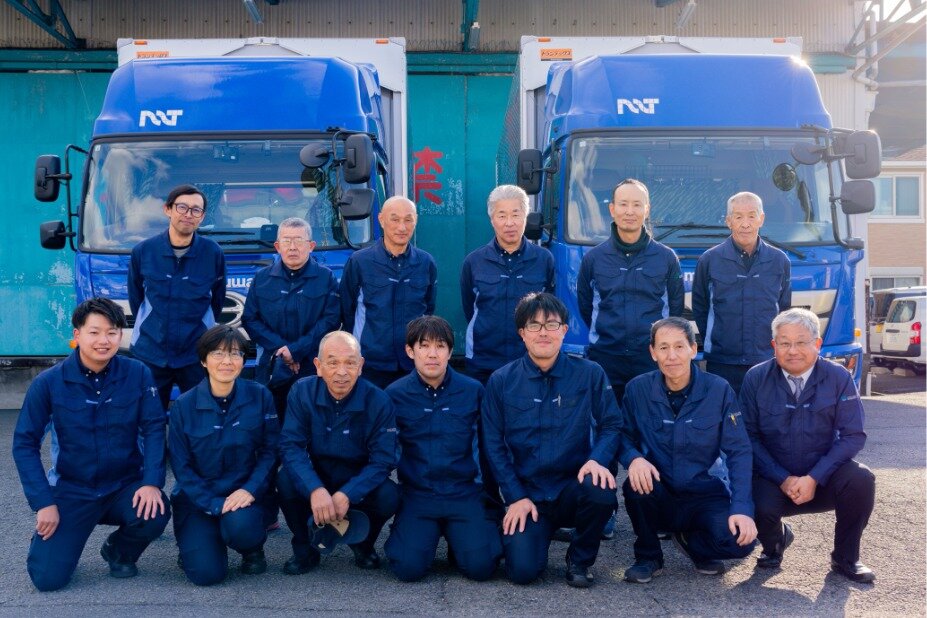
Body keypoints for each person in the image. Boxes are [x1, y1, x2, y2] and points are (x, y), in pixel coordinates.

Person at [12, 298, 169, 592]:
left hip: (123, 486)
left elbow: (154, 427)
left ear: (120, 335)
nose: (103, 341)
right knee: (47, 579)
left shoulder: (137, 373)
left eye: (112, 332)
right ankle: (61, 542)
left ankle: (119, 551)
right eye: (94, 332)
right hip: (73, 490)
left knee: (155, 511)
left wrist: (151, 482)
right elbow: (24, 443)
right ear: (77, 334)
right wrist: (44, 502)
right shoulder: (49, 383)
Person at [482, 293, 622, 588]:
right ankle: (539, 532)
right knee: (522, 572)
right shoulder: (501, 381)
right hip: (529, 495)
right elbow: (493, 444)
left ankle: (580, 560)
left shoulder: (589, 374)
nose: (543, 332)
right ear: (522, 333)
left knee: (601, 488)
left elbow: (611, 424)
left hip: (572, 487)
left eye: (551, 324)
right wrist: (515, 497)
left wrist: (596, 460)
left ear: (564, 330)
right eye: (534, 325)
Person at [740, 308, 876, 583]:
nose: (792, 351)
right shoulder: (756, 378)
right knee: (749, 497)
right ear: (774, 345)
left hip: (823, 477)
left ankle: (846, 558)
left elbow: (853, 435)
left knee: (861, 479)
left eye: (801, 342)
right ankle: (774, 544)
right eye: (784, 343)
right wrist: (782, 478)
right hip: (773, 478)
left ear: (817, 343)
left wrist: (815, 477)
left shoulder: (838, 377)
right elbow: (747, 437)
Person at [620, 317, 757, 584]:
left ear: (693, 349)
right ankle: (648, 556)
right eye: (663, 347)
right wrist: (634, 458)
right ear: (653, 352)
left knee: (740, 542)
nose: (671, 356)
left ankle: (693, 542)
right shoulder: (637, 389)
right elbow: (623, 435)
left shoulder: (718, 389)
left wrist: (742, 507)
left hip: (705, 493)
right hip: (660, 492)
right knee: (636, 485)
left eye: (679, 346)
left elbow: (739, 451)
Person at [384, 316, 502, 582]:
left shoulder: (473, 391)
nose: (432, 354)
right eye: (424, 346)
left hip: (463, 493)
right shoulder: (394, 394)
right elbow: (384, 451)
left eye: (440, 346)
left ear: (450, 351)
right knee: (408, 569)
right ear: (410, 351)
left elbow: (490, 447)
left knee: (481, 568)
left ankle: (460, 540)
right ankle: (410, 532)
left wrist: (493, 499)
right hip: (418, 494)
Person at [277, 331, 399, 573]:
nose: (342, 372)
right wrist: (314, 488)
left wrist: (348, 493)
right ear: (318, 366)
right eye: (332, 363)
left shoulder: (379, 400)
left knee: (389, 495)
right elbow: (291, 446)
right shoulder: (301, 392)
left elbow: (383, 460)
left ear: (360, 366)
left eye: (350, 363)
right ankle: (305, 547)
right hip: (318, 474)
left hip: (357, 476)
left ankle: (363, 543)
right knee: (285, 480)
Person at [168, 325, 281, 586]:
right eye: (218, 353)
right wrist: (214, 504)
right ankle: (200, 542)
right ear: (203, 360)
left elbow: (270, 451)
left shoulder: (260, 395)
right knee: (206, 575)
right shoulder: (184, 405)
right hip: (198, 500)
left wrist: (250, 489)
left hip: (243, 497)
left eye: (235, 354)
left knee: (241, 527)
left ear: (243, 360)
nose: (227, 361)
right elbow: (181, 467)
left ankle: (251, 549)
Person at [577, 178, 684, 403]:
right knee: (607, 418)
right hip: (606, 357)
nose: (629, 211)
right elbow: (585, 306)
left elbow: (675, 307)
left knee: (651, 417)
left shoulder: (666, 258)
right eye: (623, 204)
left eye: (637, 204)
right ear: (612, 209)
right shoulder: (593, 259)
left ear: (647, 209)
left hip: (650, 358)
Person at [127, 184, 226, 410]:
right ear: (168, 209)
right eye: (182, 207)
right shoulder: (143, 251)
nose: (188, 214)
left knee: (200, 415)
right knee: (149, 417)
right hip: (151, 353)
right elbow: (136, 299)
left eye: (196, 210)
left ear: (202, 217)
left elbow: (216, 301)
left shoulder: (213, 253)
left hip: (195, 354)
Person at [692, 191, 791, 394]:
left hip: (765, 359)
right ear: (728, 221)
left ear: (761, 219)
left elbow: (783, 310)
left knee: (764, 412)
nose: (745, 224)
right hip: (722, 362)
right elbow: (700, 309)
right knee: (724, 411)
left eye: (752, 216)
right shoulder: (709, 260)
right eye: (738, 217)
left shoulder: (779, 261)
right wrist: (719, 340)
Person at [242, 217, 340, 416]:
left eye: (299, 241)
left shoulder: (326, 278)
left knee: (313, 419)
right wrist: (283, 351)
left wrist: (296, 350)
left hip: (313, 364)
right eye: (287, 241)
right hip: (272, 364)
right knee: (270, 420)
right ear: (277, 246)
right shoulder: (261, 278)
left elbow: (331, 320)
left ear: (311, 246)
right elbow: (250, 319)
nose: (293, 247)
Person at [460, 185, 555, 384]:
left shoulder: (544, 259)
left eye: (516, 215)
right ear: (492, 220)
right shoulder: (474, 262)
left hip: (530, 360)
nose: (509, 223)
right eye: (502, 216)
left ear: (525, 217)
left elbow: (551, 309)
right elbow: (470, 307)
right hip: (483, 361)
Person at [340, 196, 437, 389]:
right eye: (395, 219)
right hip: (370, 365)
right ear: (381, 220)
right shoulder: (359, 261)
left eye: (408, 220)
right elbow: (346, 311)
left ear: (415, 221)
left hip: (413, 364)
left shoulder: (425, 263)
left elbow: (428, 309)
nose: (402, 227)